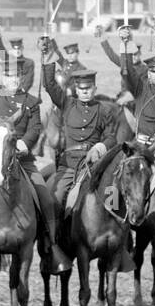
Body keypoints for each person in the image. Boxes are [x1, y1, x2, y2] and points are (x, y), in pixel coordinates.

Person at [0, 42, 72, 272]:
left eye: (15, 76)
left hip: (23, 161)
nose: (11, 80)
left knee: (45, 198)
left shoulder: (31, 103)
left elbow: (35, 128)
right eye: (7, 75)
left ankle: (50, 243)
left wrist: (24, 143)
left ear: (21, 78)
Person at [40, 49, 130, 216]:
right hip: (70, 165)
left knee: (115, 199)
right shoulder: (67, 104)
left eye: (88, 89)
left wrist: (100, 147)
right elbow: (50, 87)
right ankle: (54, 239)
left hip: (96, 163)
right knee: (54, 200)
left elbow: (111, 137)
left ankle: (122, 234)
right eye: (81, 89)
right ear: (77, 90)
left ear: (94, 88)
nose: (85, 92)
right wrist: (48, 63)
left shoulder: (104, 110)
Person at [0, 18, 35, 93]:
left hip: (20, 92)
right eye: (15, 49)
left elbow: (29, 80)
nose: (17, 51)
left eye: (19, 48)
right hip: (6, 92)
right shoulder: (7, 59)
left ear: (22, 48)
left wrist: (22, 91)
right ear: (12, 49)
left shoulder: (28, 63)